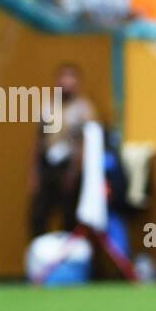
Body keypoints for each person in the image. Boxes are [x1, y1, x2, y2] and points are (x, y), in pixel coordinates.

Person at [29, 63, 99, 239]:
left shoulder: (84, 109)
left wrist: (75, 172)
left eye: (71, 78)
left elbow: (87, 143)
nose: (66, 83)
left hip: (70, 168)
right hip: (48, 165)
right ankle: (40, 258)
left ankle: (70, 258)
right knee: (39, 215)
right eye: (63, 78)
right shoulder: (48, 107)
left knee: (70, 216)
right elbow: (39, 141)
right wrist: (34, 173)